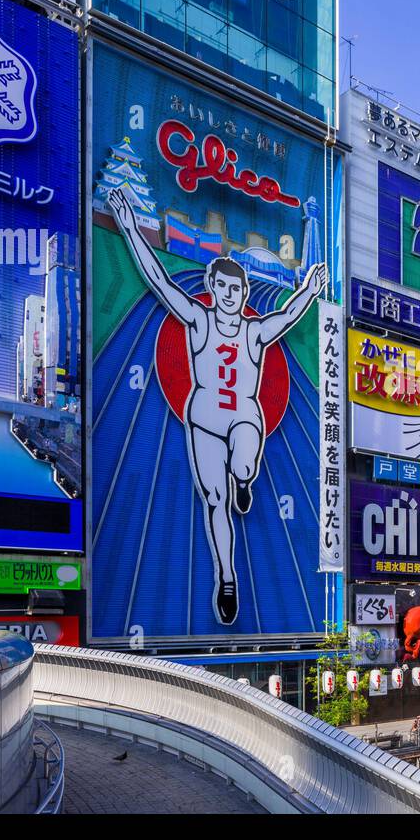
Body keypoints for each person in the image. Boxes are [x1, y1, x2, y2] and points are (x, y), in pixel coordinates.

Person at [107, 186, 326, 625]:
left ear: (244, 293)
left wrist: (307, 290)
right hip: (204, 420)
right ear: (212, 286)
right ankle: (227, 577)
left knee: (244, 469)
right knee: (215, 499)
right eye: (222, 286)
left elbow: (286, 316)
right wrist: (130, 228)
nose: (229, 293)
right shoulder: (198, 318)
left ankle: (246, 480)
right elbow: (160, 281)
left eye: (236, 287)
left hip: (245, 416)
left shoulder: (254, 331)